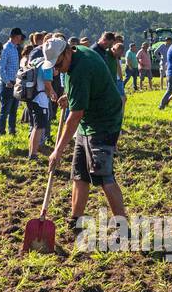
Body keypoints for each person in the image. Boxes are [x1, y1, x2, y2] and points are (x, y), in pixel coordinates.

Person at [45, 37, 127, 230]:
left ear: (66, 53)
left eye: (59, 64)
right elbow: (87, 90)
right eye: (54, 67)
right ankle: (76, 219)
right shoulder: (78, 52)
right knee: (80, 174)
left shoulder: (80, 70)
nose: (58, 70)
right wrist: (71, 96)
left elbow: (75, 116)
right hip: (88, 121)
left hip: (103, 122)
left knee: (104, 176)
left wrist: (58, 150)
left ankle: (123, 227)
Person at [0, 27, 23, 136]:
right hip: (7, 84)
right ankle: (1, 132)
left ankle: (12, 131)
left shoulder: (15, 48)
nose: (20, 39)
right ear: (15, 37)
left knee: (13, 110)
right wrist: (7, 81)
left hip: (15, 83)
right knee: (5, 110)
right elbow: (0, 68)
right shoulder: (6, 48)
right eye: (19, 37)